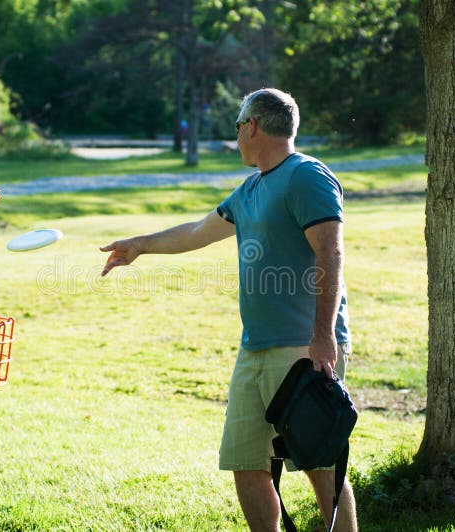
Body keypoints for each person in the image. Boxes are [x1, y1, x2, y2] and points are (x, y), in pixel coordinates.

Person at [100, 88, 358, 532]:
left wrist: (322, 335)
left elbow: (330, 253)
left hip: (303, 347)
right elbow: (198, 231)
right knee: (246, 462)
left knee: (319, 461)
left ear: (252, 125)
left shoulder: (306, 176)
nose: (236, 136)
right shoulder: (252, 187)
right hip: (254, 348)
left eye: (238, 126)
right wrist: (138, 246)